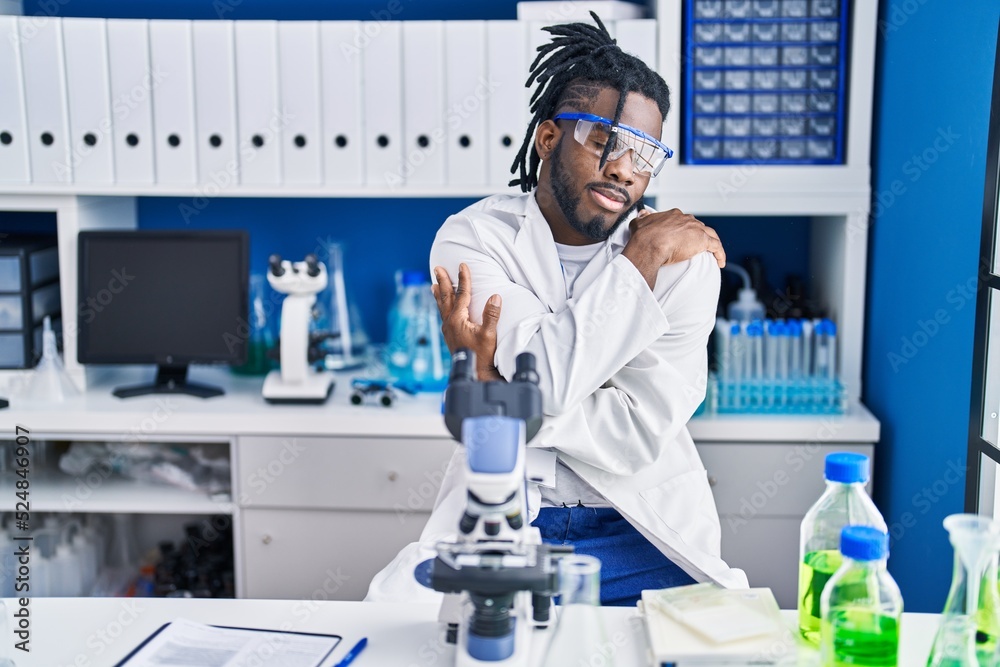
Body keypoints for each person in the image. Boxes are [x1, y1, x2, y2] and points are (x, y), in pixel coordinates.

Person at [366, 13, 748, 606]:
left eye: (645, 154)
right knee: (402, 623)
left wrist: (499, 392)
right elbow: (547, 379)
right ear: (548, 138)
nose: (624, 168)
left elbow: (636, 436)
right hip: (510, 522)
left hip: (643, 534)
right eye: (604, 141)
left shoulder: (685, 260)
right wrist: (636, 263)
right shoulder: (474, 239)